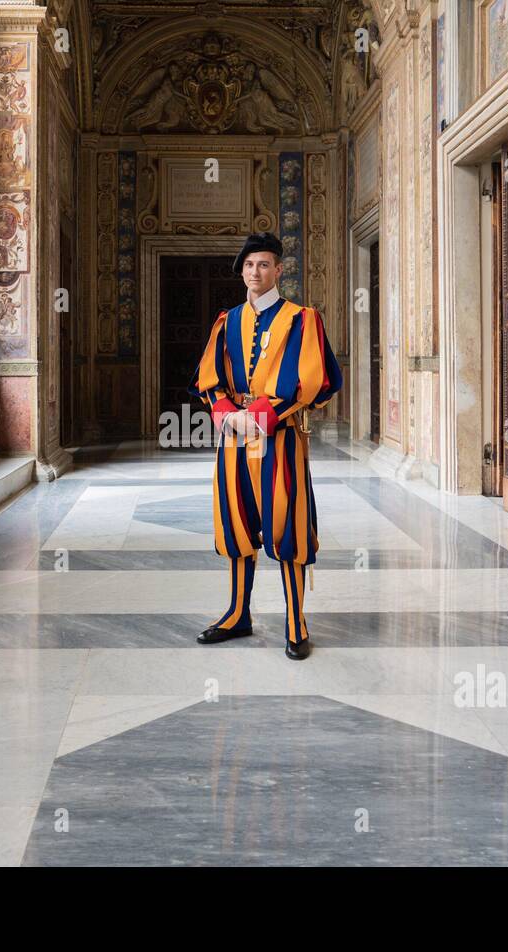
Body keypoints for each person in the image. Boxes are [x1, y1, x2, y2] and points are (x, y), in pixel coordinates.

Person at [187, 231, 343, 660]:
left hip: (280, 438)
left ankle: (296, 622)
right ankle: (238, 614)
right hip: (234, 438)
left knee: (287, 524)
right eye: (249, 265)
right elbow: (208, 377)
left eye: (263, 264)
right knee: (236, 524)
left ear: (278, 269)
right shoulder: (227, 321)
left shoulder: (302, 319)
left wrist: (256, 416)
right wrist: (224, 412)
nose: (255, 271)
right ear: (242, 272)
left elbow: (309, 380)